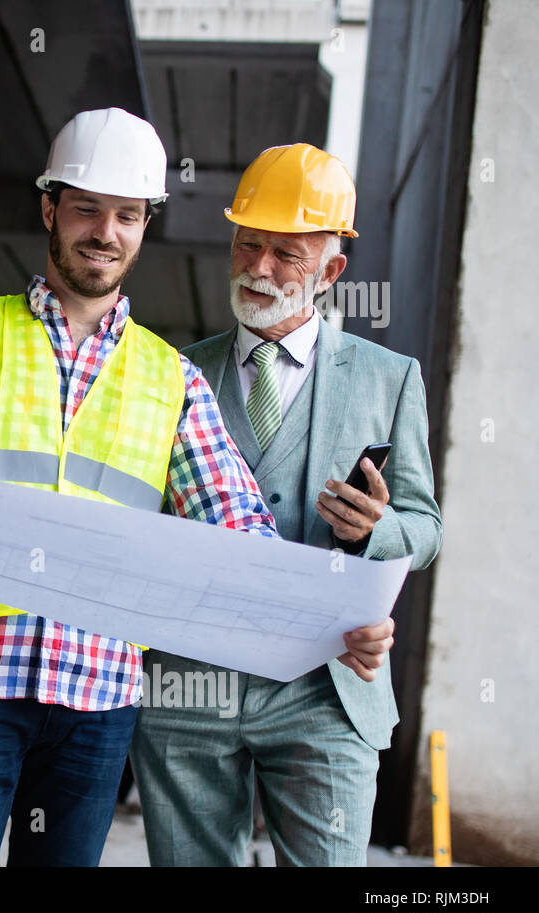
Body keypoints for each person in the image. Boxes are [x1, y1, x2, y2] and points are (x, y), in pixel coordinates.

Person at [0, 109, 396, 866]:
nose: (105, 231)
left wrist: (336, 620)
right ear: (49, 210)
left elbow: (240, 528)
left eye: (127, 215)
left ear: (143, 227)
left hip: (97, 698)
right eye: (87, 209)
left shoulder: (172, 379)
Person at [130, 143, 443, 866]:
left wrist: (379, 530)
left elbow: (425, 528)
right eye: (248, 245)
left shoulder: (389, 378)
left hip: (327, 687)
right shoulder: (171, 374)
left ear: (331, 271)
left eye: (287, 255)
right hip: (189, 684)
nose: (259, 269)